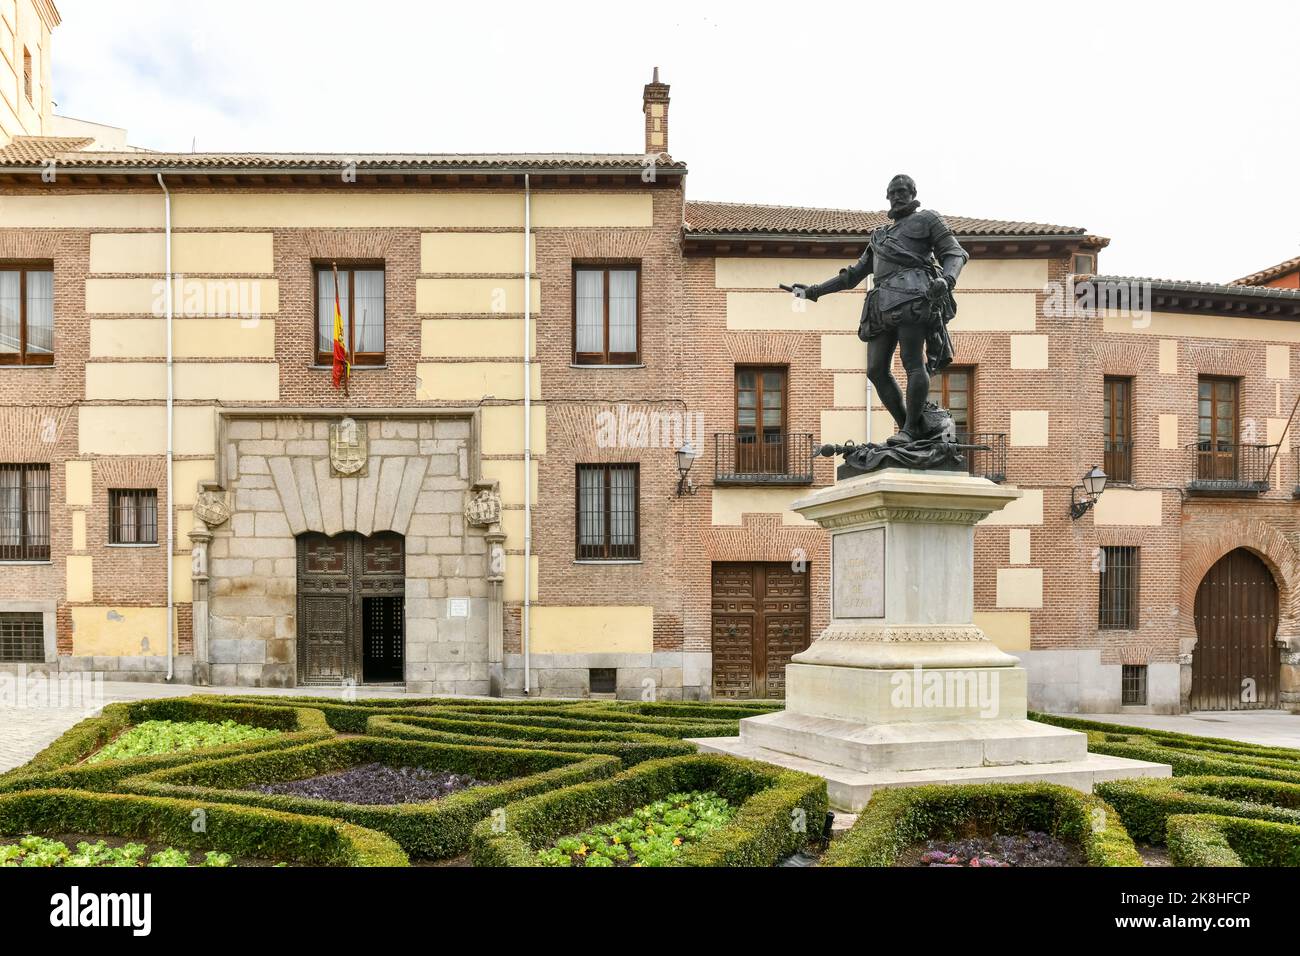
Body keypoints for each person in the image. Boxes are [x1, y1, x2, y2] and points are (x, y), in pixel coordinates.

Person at [789, 174, 968, 444]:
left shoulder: (928, 219)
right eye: (892, 192)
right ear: (887, 197)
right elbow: (853, 275)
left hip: (914, 296)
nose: (897, 196)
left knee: (912, 362)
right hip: (881, 305)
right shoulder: (879, 236)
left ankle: (908, 431)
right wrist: (814, 291)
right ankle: (915, 426)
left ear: (913, 193)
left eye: (902, 191)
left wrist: (947, 279)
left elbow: (955, 253)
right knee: (875, 370)